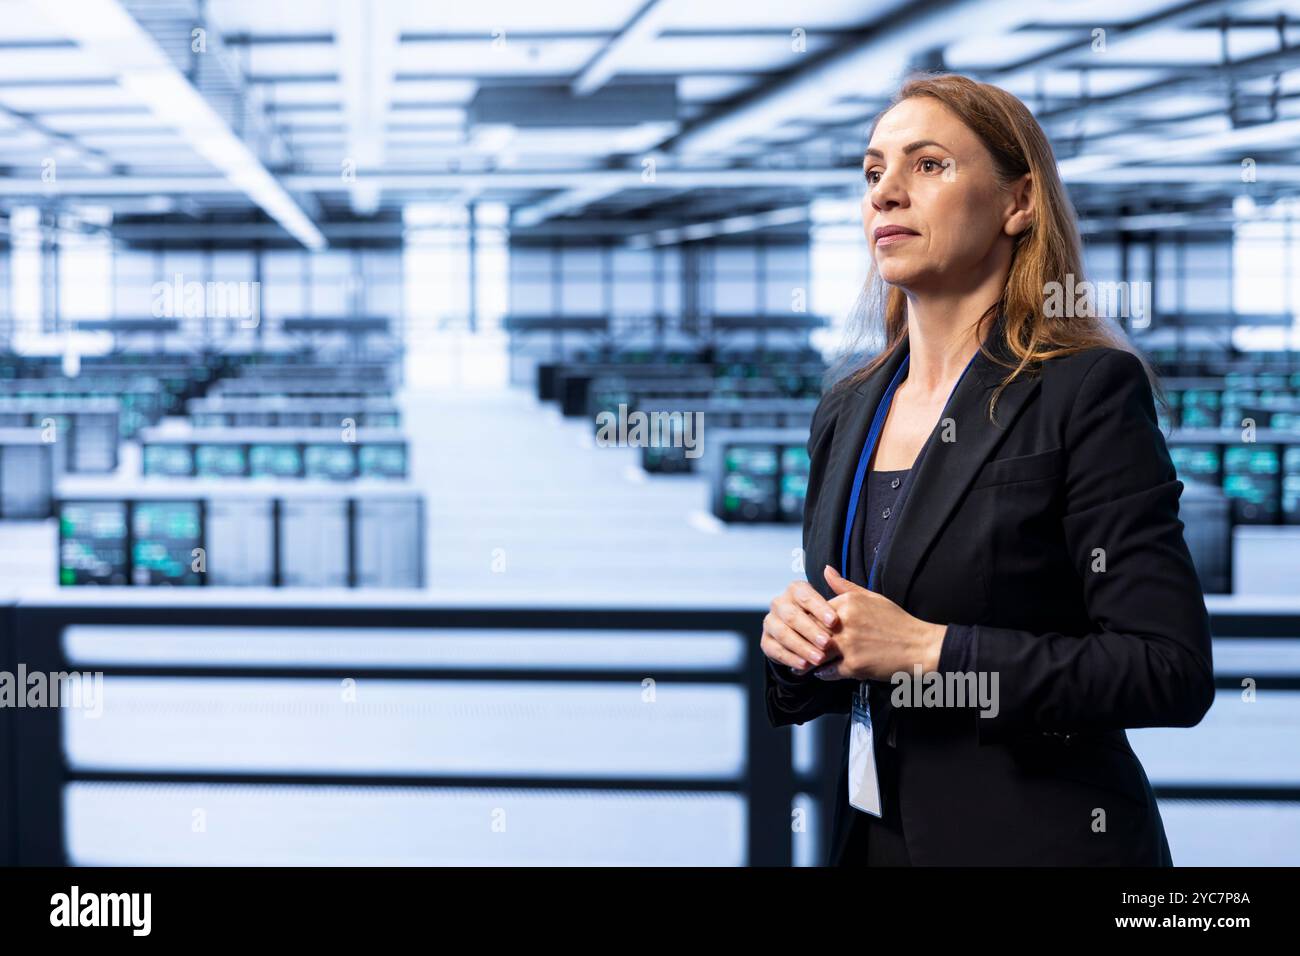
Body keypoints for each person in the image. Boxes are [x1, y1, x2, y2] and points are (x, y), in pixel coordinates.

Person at [760, 72, 1214, 866]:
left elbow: (1167, 668)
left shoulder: (1085, 393)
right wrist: (797, 649)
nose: (886, 194)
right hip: (874, 839)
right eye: (873, 173)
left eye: (928, 165)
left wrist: (934, 651)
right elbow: (853, 655)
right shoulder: (848, 407)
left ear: (1019, 203)